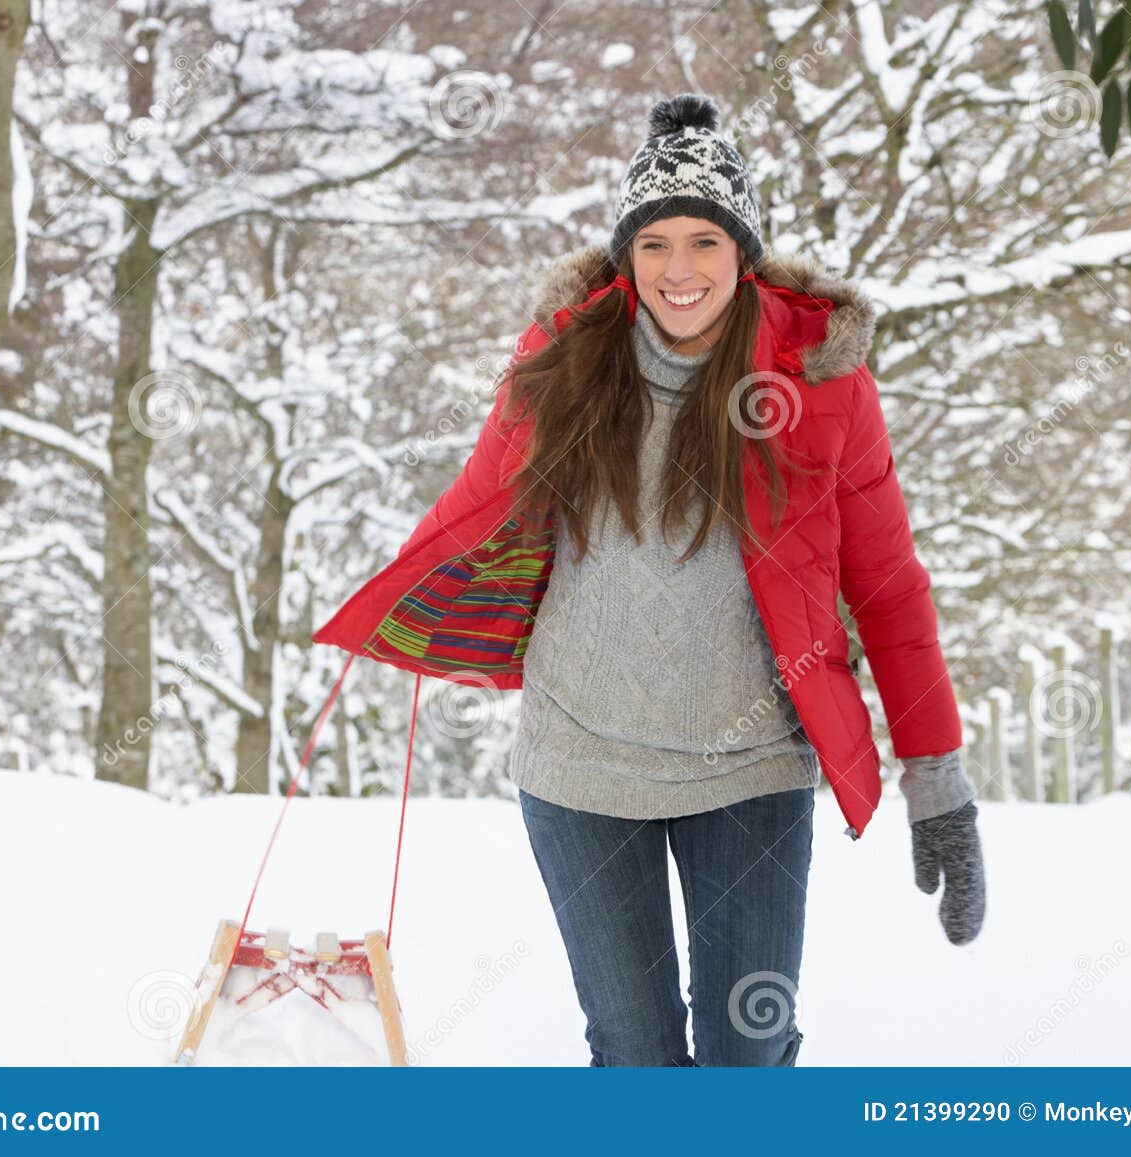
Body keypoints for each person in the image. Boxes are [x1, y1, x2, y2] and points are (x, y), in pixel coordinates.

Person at [311, 93, 987, 1068]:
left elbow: (886, 582)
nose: (680, 270)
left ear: (742, 251)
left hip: (748, 769)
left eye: (705, 240)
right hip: (581, 766)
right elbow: (480, 501)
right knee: (630, 1052)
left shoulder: (819, 383)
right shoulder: (569, 358)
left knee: (746, 1054)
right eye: (655, 242)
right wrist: (405, 597)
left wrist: (937, 772)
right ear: (626, 254)